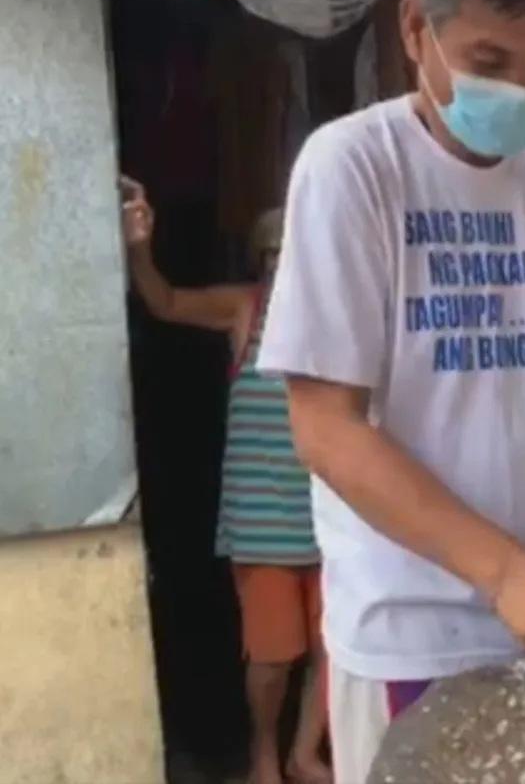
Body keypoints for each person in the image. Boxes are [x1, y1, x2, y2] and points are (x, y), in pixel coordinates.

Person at [255, 0, 525, 779]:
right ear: (417, 28)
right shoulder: (353, 169)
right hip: (411, 635)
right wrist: (506, 574)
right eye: (490, 62)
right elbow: (325, 427)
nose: (521, 91)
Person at [120, 180, 330, 784]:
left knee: (333, 645)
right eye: (274, 253)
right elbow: (163, 301)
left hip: (331, 511)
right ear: (262, 261)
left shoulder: (336, 319)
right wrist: (140, 245)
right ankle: (265, 750)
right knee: (271, 656)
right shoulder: (247, 309)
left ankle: (305, 754)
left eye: (297, 250)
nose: (285, 263)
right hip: (263, 517)